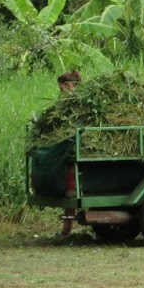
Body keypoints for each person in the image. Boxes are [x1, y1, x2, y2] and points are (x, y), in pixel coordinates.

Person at [56, 71, 83, 238]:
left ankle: (67, 228)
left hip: (77, 148)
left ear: (68, 85)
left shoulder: (77, 103)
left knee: (71, 191)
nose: (61, 91)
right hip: (71, 148)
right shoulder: (66, 103)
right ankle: (66, 228)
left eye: (62, 87)